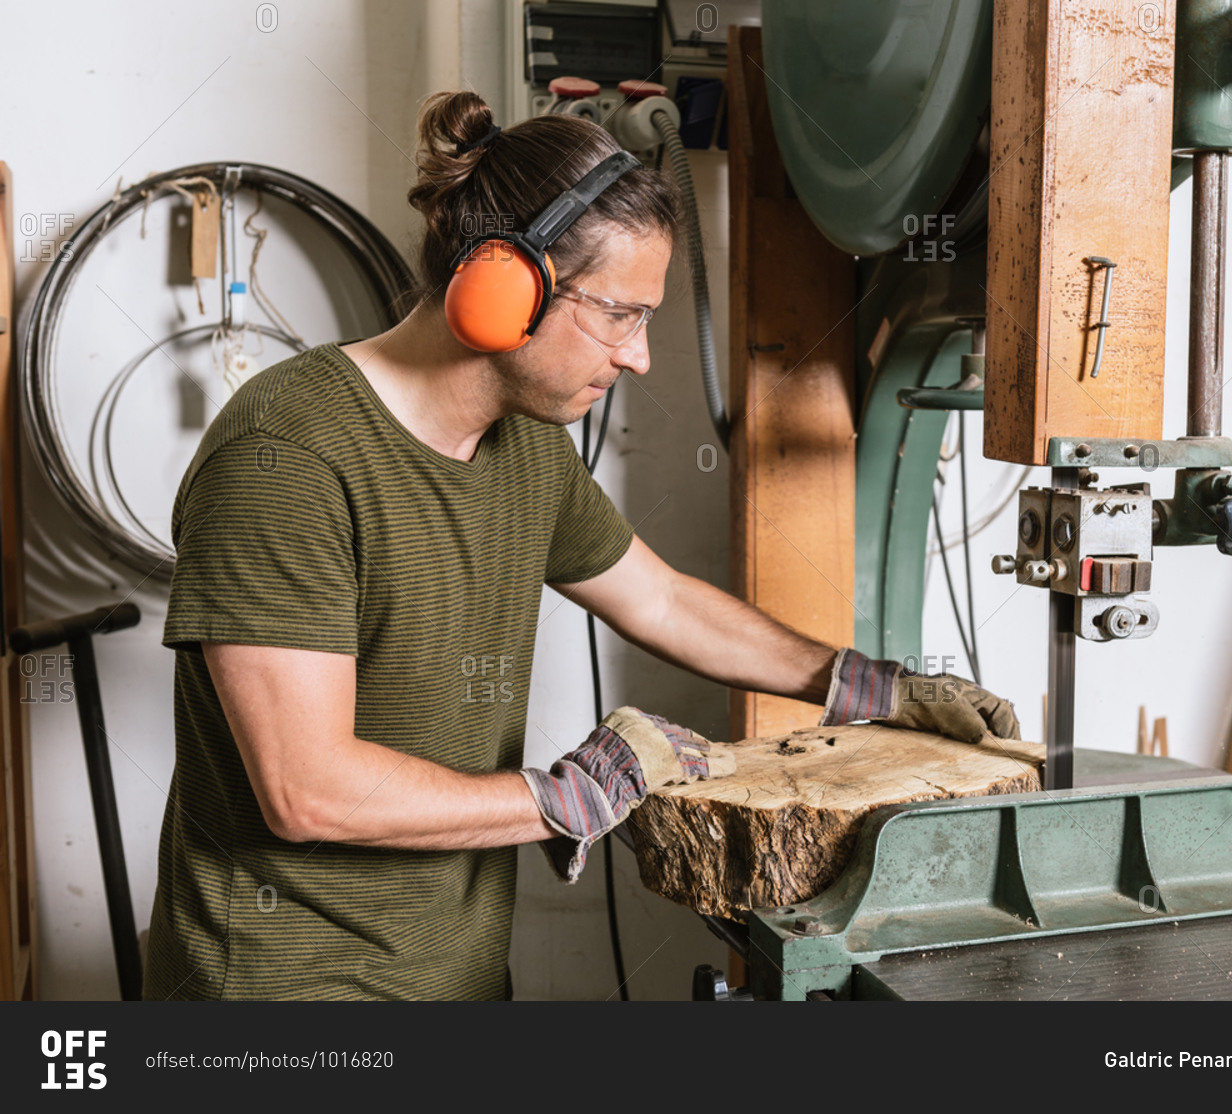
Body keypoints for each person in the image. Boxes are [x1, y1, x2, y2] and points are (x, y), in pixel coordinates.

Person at [142, 90, 1020, 1001]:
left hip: (456, 978)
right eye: (622, 315)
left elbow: (662, 600)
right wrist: (565, 797)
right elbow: (306, 787)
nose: (638, 356)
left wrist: (872, 686)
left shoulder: (525, 447)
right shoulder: (286, 456)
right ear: (502, 289)